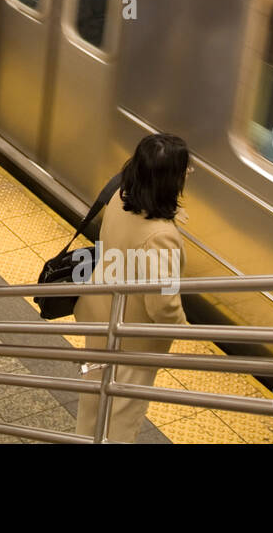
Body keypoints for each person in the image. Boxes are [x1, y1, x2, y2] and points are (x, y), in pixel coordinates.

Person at [74, 133, 190, 443]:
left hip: (99, 316)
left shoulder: (119, 198)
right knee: (123, 416)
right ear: (171, 180)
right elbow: (162, 305)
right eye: (185, 172)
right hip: (131, 336)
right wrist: (183, 328)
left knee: (93, 401)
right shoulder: (160, 235)